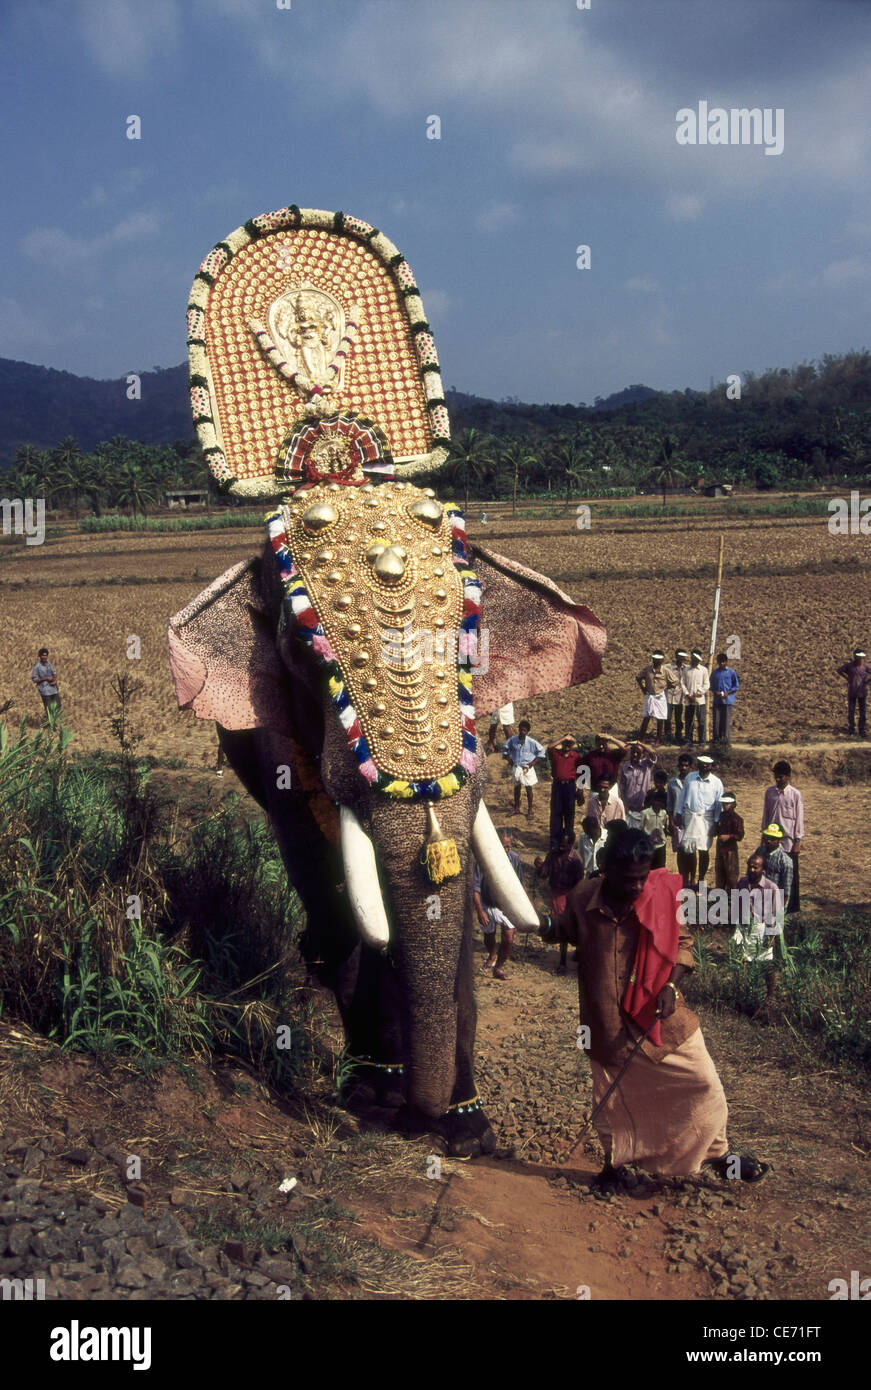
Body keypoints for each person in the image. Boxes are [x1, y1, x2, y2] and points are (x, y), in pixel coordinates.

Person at [556, 827, 767, 1181]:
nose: (637, 888)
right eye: (628, 880)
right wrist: (535, 922)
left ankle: (718, 1155)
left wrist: (670, 985)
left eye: (642, 878)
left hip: (661, 1018)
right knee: (612, 1101)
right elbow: (563, 931)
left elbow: (684, 947)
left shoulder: (661, 896)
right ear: (606, 869)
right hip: (605, 1023)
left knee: (704, 1081)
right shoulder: (582, 898)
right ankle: (615, 1166)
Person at [733, 854, 785, 1008]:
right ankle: (748, 994)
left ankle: (770, 995)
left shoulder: (771, 887)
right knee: (745, 960)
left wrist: (772, 933)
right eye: (750, 866)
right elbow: (736, 904)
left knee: (766, 962)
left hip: (762, 927)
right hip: (744, 925)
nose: (752, 869)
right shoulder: (742, 883)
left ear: (763, 869)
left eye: (756, 867)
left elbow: (777, 913)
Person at [474, 828, 525, 979]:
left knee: (509, 938)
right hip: (488, 904)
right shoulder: (483, 860)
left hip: (507, 906)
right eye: (502, 846)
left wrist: (526, 906)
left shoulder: (514, 859)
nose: (505, 850)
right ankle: (492, 955)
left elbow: (521, 884)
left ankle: (499, 968)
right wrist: (480, 911)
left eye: (508, 847)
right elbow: (475, 888)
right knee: (489, 934)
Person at [534, 832, 585, 974]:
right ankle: (563, 961)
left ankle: (575, 954)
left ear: (571, 844)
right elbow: (544, 874)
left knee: (572, 926)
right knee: (561, 928)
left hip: (571, 895)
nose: (561, 848)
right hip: (556, 894)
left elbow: (580, 883)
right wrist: (539, 867)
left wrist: (575, 901)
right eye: (560, 845)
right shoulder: (553, 855)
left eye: (564, 845)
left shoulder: (576, 860)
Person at [674, 753, 723, 889]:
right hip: (690, 816)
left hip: (706, 820)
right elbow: (683, 797)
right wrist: (678, 813)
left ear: (711, 766)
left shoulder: (716, 783)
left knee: (703, 850)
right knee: (688, 849)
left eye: (707, 765)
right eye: (701, 764)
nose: (704, 767)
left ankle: (701, 879)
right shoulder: (690, 777)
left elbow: (719, 805)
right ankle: (690, 879)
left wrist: (716, 822)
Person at [762, 761, 804, 914]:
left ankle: (792, 908)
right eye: (776, 777)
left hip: (788, 841)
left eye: (780, 777)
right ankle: (772, 906)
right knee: (771, 872)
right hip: (772, 839)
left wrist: (798, 840)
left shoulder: (795, 794)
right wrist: (764, 835)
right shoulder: (770, 792)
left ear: (787, 776)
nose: (778, 780)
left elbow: (799, 818)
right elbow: (766, 814)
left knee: (790, 874)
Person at [502, 719, 546, 819]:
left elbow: (542, 752)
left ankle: (530, 810)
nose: (522, 732)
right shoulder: (512, 740)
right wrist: (510, 761)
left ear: (527, 731)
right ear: (518, 729)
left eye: (524, 730)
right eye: (521, 730)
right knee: (517, 787)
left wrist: (532, 764)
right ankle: (516, 807)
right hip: (517, 766)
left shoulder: (532, 742)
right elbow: (505, 750)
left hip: (528, 768)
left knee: (528, 788)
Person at [547, 735, 585, 849]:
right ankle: (554, 843)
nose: (567, 745)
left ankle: (568, 843)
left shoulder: (576, 757)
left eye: (569, 743)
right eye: (565, 743)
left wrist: (580, 790)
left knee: (569, 815)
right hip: (558, 787)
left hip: (570, 787)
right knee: (556, 814)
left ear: (573, 745)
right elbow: (549, 747)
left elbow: (582, 774)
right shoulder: (556, 754)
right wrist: (563, 738)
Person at [575, 735, 627, 811]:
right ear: (596, 743)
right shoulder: (590, 756)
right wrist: (580, 790)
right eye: (599, 744)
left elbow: (626, 748)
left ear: (608, 743)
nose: (601, 746)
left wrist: (611, 738)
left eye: (604, 744)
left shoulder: (614, 754)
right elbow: (582, 772)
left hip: (611, 789)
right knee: (595, 816)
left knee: (612, 815)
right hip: (595, 791)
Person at [636, 650, 673, 746]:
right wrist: (643, 688)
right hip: (650, 695)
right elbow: (638, 677)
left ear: (662, 660)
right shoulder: (647, 669)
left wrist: (665, 687)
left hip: (660, 697)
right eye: (654, 659)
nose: (656, 661)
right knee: (646, 717)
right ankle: (642, 738)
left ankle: (658, 740)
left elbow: (674, 682)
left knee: (660, 719)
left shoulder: (665, 671)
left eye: (658, 659)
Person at [618, 741, 657, 830]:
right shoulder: (625, 767)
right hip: (629, 809)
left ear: (643, 755)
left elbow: (653, 753)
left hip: (644, 808)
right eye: (633, 752)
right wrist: (625, 805)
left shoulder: (647, 765)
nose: (635, 754)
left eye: (638, 753)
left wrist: (639, 742)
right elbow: (622, 788)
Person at [756, 823, 793, 912]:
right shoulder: (760, 851)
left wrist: (779, 911)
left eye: (773, 839)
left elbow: (786, 890)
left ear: (779, 840)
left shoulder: (785, 861)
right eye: (767, 837)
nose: (769, 841)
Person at [713, 792, 744, 892]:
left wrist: (729, 836)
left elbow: (740, 835)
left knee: (731, 874)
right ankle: (720, 894)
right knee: (719, 871)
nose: (724, 806)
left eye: (727, 804)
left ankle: (731, 897)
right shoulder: (722, 816)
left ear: (733, 804)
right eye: (723, 804)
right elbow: (718, 828)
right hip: (720, 848)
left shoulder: (737, 819)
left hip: (730, 850)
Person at [667, 753, 694, 858]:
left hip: (691, 820)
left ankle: (692, 875)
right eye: (682, 765)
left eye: (686, 765)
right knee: (680, 851)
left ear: (690, 767)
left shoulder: (694, 782)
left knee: (691, 851)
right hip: (677, 821)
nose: (684, 768)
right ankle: (682, 874)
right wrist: (671, 821)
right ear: (678, 766)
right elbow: (669, 804)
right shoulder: (672, 783)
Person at [837, 649, 868, 737]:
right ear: (855, 657)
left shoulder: (866, 666)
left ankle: (862, 729)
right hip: (852, 692)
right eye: (859, 657)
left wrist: (867, 681)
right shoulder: (849, 666)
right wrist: (847, 678)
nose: (861, 659)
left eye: (862, 657)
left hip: (862, 692)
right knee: (851, 711)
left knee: (863, 712)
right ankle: (851, 729)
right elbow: (839, 670)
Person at [681, 649, 710, 746]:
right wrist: (688, 695)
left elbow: (706, 684)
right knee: (689, 721)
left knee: (701, 721)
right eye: (693, 658)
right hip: (689, 700)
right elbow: (683, 683)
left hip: (699, 701)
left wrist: (697, 694)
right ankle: (688, 741)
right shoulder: (686, 670)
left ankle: (702, 742)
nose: (695, 660)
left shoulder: (703, 670)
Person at [710, 652, 739, 745]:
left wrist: (728, 693)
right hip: (717, 700)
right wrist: (716, 692)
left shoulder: (731, 672)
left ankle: (726, 742)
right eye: (720, 662)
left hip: (728, 700)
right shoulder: (715, 673)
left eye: (723, 662)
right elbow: (710, 686)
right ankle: (716, 740)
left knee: (726, 722)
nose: (722, 664)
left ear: (726, 662)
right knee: (716, 721)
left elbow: (736, 686)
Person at [664, 649, 689, 745]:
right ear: (676, 656)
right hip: (669, 696)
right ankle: (668, 737)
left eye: (683, 657)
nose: (682, 658)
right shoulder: (667, 667)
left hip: (680, 698)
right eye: (680, 656)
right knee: (667, 718)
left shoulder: (686, 668)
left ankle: (678, 737)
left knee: (679, 719)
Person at [640, 789, 669, 869]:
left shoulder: (664, 813)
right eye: (657, 801)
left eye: (662, 802)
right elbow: (641, 829)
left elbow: (664, 827)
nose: (659, 804)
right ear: (653, 801)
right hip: (648, 845)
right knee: (648, 868)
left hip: (660, 845)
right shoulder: (645, 813)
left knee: (660, 868)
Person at [31, 648, 61, 717]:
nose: (44, 657)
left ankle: (54, 722)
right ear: (40, 656)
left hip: (53, 689)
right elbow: (34, 679)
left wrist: (55, 680)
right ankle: (49, 724)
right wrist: (45, 678)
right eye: (43, 655)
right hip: (45, 690)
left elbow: (54, 673)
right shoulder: (37, 667)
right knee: (49, 708)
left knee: (58, 706)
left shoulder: (48, 664)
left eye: (46, 655)